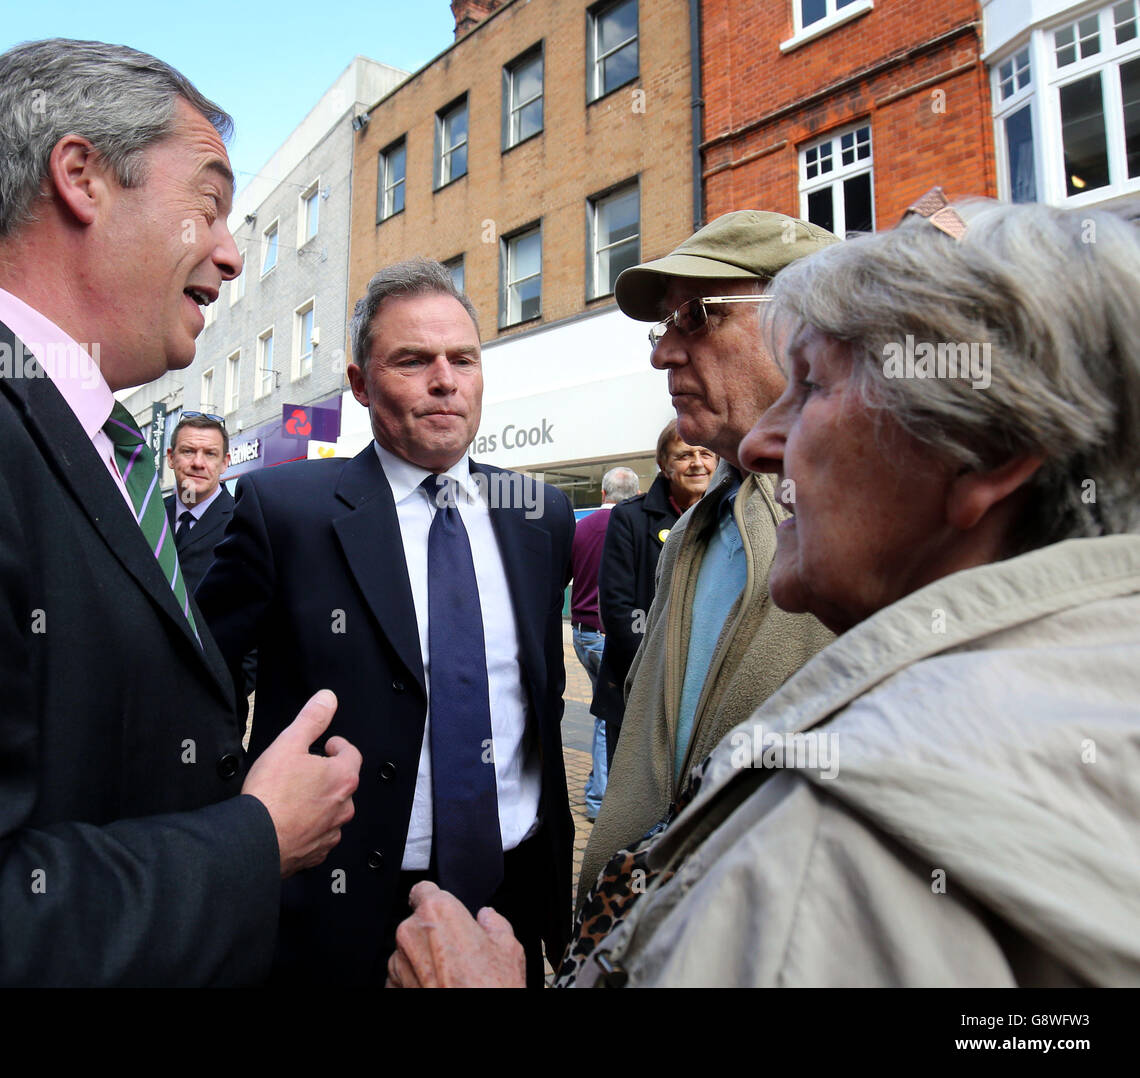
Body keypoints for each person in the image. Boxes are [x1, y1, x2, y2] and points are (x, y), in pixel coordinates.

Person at [386, 193, 1140, 987]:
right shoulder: (709, 530)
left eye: (812, 384)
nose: (772, 443)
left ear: (984, 451)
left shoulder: (849, 837)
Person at [0, 39, 360, 987]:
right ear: (81, 178)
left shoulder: (96, 445)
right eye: (207, 204)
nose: (234, 254)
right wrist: (254, 839)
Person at [197, 258, 575, 987]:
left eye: (462, 359)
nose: (445, 380)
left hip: (510, 888)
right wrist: (240, 828)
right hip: (340, 899)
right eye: (413, 360)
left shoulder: (539, 515)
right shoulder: (286, 512)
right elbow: (200, 676)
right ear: (361, 383)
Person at [579, 211, 838, 900]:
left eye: (696, 316)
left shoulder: (871, 525)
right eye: (662, 327)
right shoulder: (696, 525)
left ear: (807, 327)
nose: (663, 352)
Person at [591, 421, 715, 762]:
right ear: (664, 464)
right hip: (641, 686)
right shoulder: (629, 518)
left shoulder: (729, 517)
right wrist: (666, 674)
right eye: (684, 455)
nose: (697, 463)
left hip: (705, 691)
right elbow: (617, 609)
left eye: (706, 453)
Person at [569, 466, 640, 819]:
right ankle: (599, 799)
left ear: (603, 494)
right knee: (608, 714)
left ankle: (601, 793)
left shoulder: (581, 527)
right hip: (609, 635)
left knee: (605, 711)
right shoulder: (632, 525)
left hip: (582, 633)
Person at [163, 413, 236, 594]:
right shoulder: (149, 514)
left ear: (224, 463)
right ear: (171, 458)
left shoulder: (243, 522)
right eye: (188, 451)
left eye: (210, 454)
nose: (198, 463)